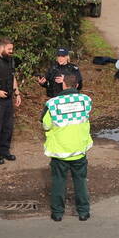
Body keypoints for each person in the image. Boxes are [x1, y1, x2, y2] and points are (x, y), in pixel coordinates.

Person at [42, 72, 92, 222]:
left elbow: (46, 125)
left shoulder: (52, 104)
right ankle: (83, 212)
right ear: (77, 85)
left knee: (58, 181)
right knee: (80, 180)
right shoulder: (86, 100)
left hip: (59, 151)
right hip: (78, 149)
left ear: (63, 84)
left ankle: (57, 213)